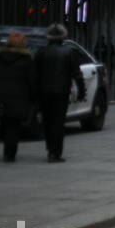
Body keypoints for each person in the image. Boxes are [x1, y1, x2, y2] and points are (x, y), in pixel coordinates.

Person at [34, 23, 86, 163]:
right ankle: (55, 152)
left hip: (44, 92)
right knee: (58, 122)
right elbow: (77, 74)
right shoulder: (68, 52)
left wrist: (35, 93)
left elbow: (35, 74)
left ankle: (50, 148)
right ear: (63, 37)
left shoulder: (41, 52)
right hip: (61, 92)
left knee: (47, 121)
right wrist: (81, 91)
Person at [0, 31, 38, 162]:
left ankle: (7, 151)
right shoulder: (26, 60)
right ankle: (10, 153)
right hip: (19, 99)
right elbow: (32, 81)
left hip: (2, 97)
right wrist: (34, 98)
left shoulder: (0, 57)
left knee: (5, 124)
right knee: (14, 127)